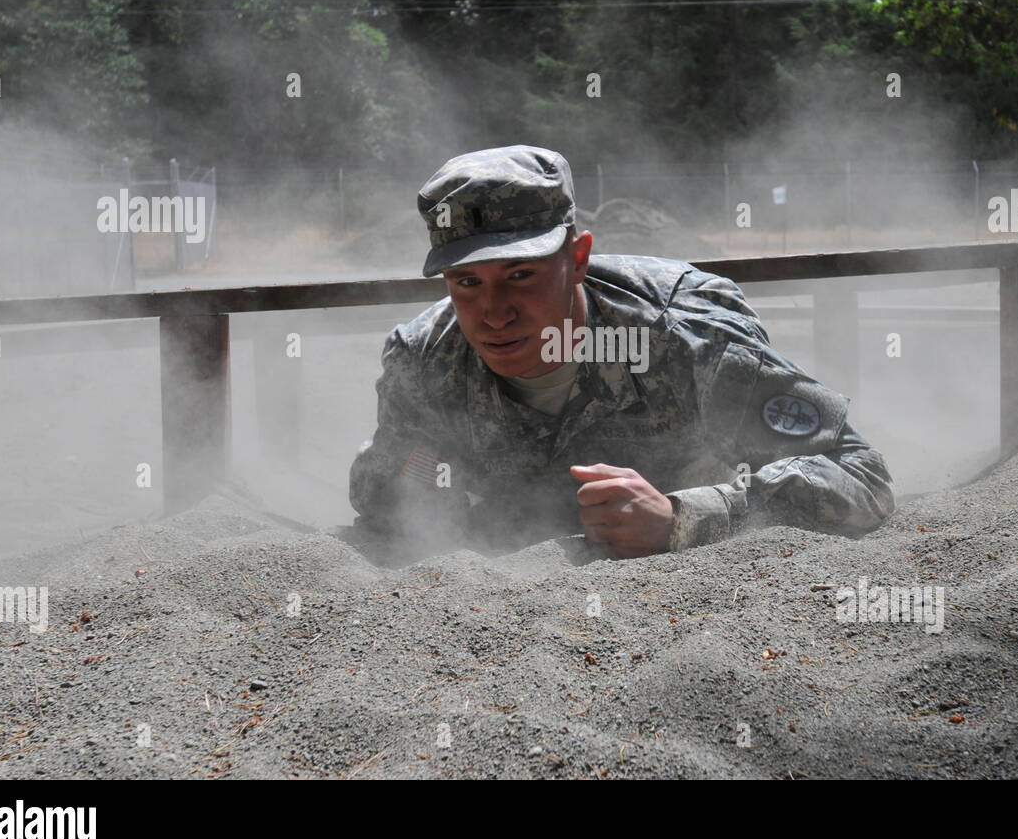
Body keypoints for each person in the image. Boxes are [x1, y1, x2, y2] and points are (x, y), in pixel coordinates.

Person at [348, 144, 894, 558]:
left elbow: (862, 475)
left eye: (520, 275)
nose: (495, 311)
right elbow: (383, 486)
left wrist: (683, 516)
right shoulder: (425, 358)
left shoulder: (684, 335)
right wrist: (425, 479)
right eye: (466, 282)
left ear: (578, 258)